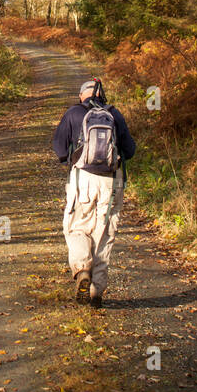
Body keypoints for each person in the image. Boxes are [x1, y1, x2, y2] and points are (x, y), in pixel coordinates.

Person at [51, 78, 136, 307]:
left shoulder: (73, 113)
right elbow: (129, 150)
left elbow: (59, 149)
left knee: (77, 227)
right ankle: (96, 290)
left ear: (82, 96)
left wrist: (71, 156)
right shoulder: (114, 114)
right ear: (101, 95)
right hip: (111, 181)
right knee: (104, 233)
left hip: (83, 179)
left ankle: (81, 270)